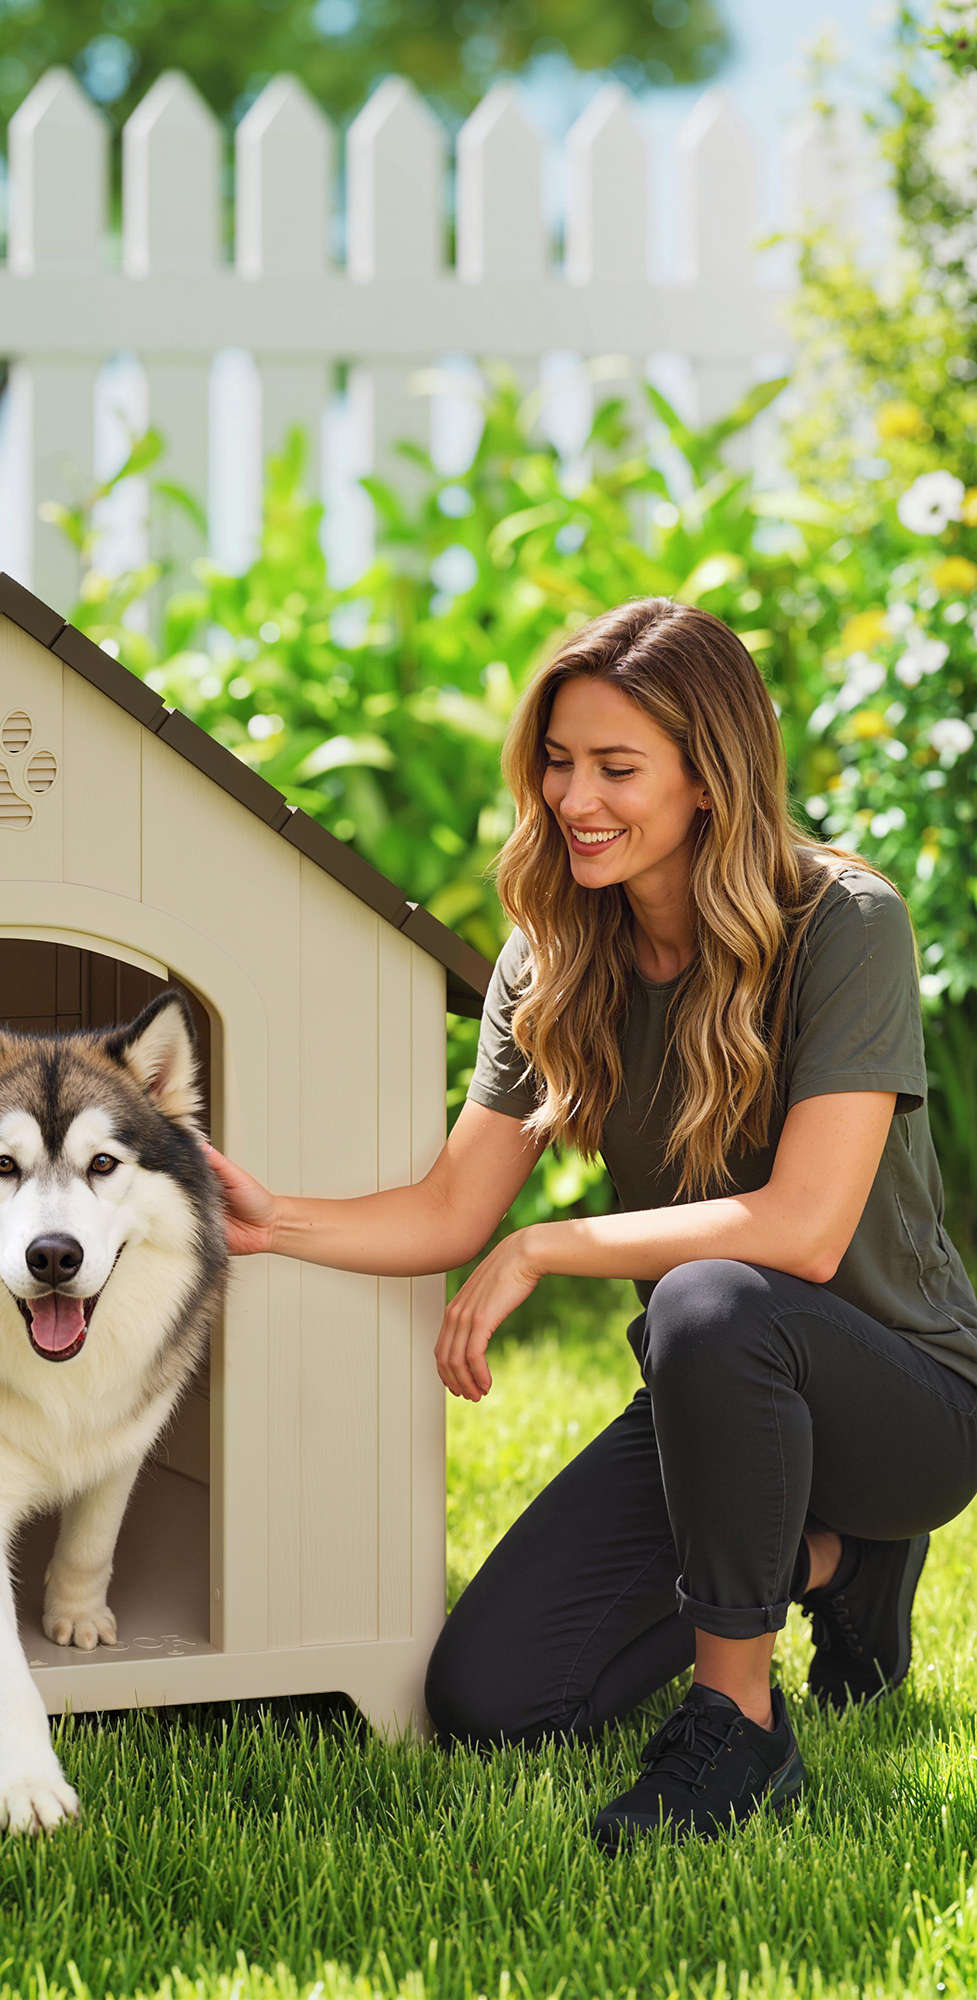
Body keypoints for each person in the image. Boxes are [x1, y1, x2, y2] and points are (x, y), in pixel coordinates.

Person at [207, 597, 977, 1851]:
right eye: (557, 762)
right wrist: (270, 1219)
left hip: (905, 1403)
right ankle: (838, 1565)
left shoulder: (842, 923)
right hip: (714, 1401)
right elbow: (454, 1203)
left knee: (709, 1297)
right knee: (490, 1696)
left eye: (615, 767)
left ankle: (737, 1724)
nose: (573, 797)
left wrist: (545, 1244)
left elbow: (802, 1229)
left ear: (707, 780)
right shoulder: (556, 947)